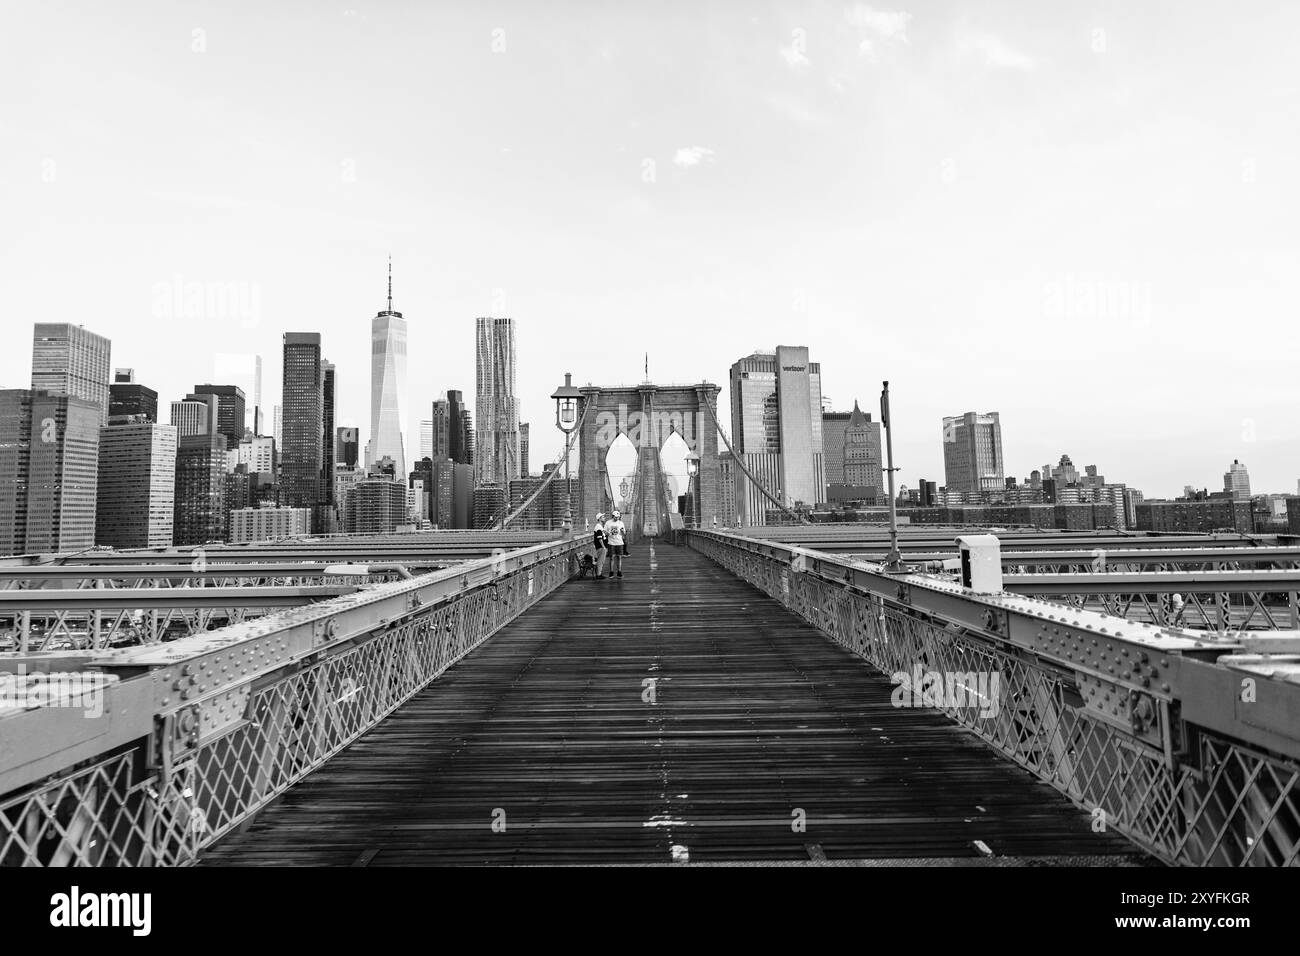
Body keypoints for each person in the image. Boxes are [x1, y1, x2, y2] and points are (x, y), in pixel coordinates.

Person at [605, 510, 627, 578]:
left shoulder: (621, 523)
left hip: (619, 542)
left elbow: (624, 534)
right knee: (612, 558)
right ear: (612, 516)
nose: (617, 518)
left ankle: (619, 572)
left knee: (619, 557)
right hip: (611, 542)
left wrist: (623, 532)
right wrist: (607, 533)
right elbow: (604, 531)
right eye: (615, 517)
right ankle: (611, 572)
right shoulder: (608, 523)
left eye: (618, 517)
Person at [592, 513, 608, 579]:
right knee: (600, 561)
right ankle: (598, 575)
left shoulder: (600, 526)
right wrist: (603, 547)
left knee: (601, 561)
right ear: (599, 518)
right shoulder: (598, 527)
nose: (604, 517)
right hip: (601, 547)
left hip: (602, 547)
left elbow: (602, 536)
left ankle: (599, 573)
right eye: (603, 517)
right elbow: (599, 538)